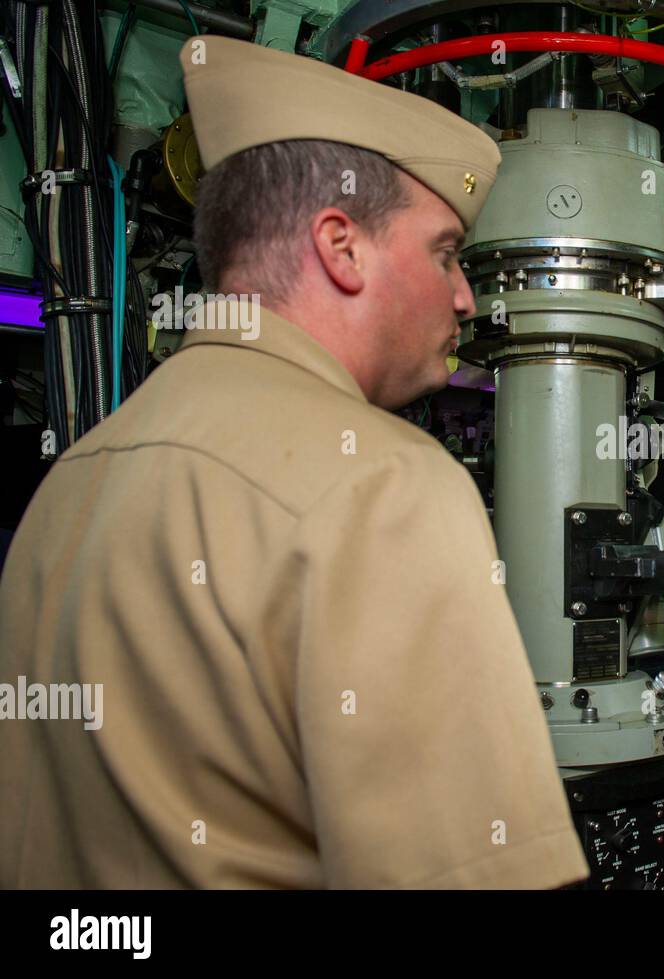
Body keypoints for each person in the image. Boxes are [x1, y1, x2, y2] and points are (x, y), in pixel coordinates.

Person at [0, 36, 588, 889]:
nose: (465, 296)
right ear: (341, 246)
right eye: (446, 252)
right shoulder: (383, 484)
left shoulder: (69, 487)